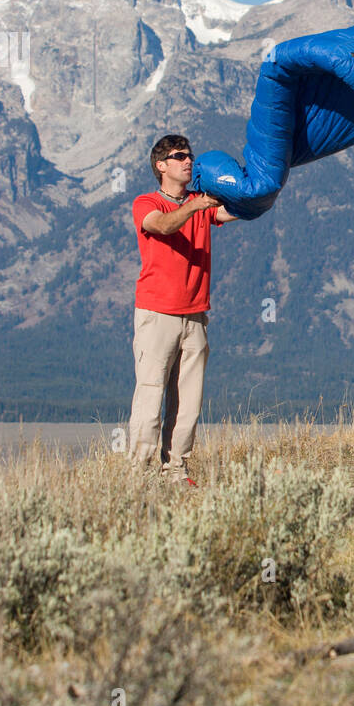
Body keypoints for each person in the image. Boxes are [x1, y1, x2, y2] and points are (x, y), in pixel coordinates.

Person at [128, 134, 239, 483]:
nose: (188, 161)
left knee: (188, 404)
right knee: (150, 398)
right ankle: (141, 473)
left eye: (190, 156)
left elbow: (232, 211)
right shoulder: (147, 203)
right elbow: (161, 226)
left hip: (195, 316)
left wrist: (259, 192)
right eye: (179, 156)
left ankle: (176, 469)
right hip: (157, 314)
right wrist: (195, 205)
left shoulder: (200, 205)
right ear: (161, 166)